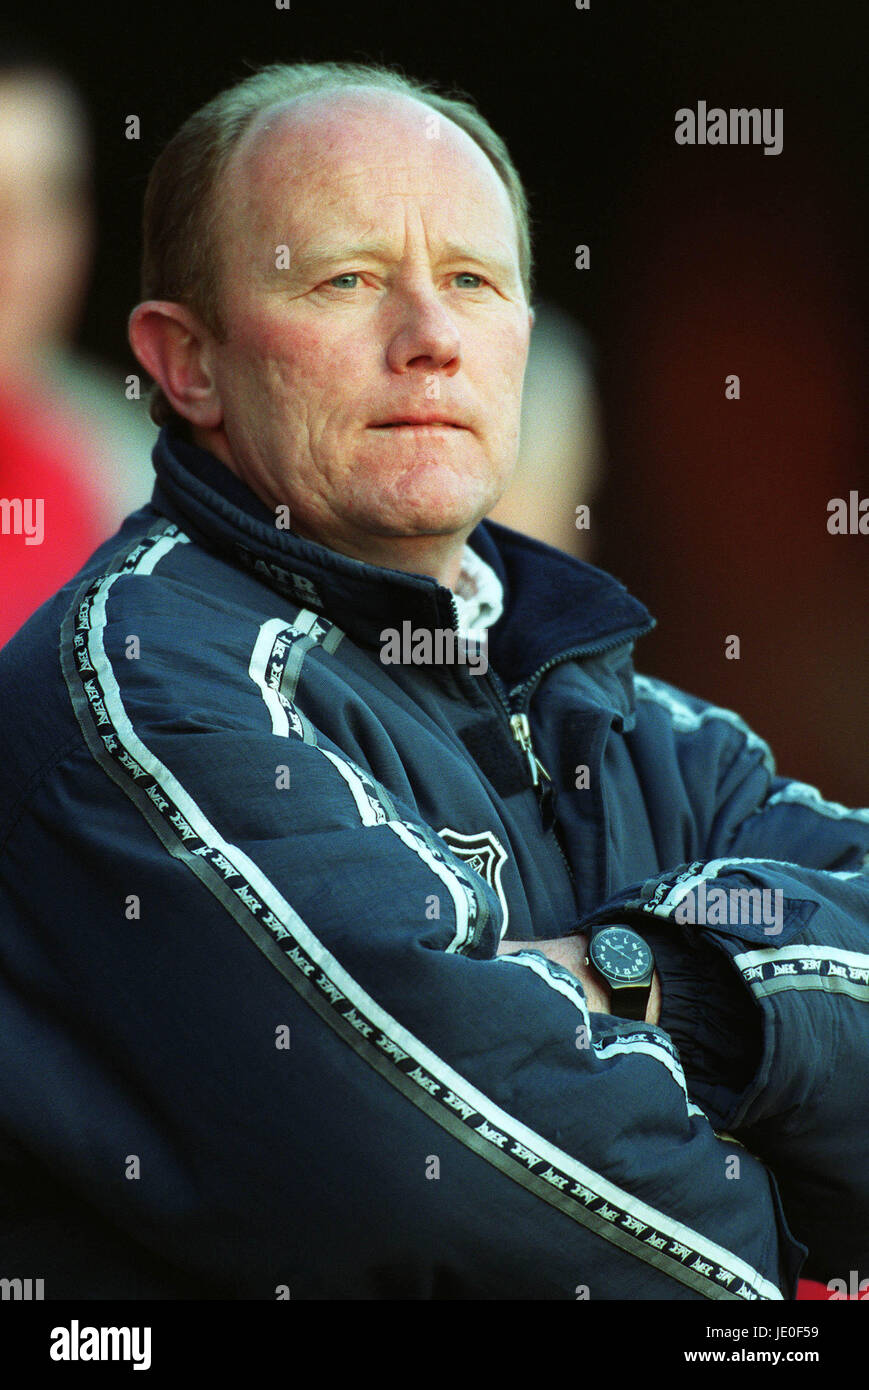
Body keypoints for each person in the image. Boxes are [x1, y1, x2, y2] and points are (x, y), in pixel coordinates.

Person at [1, 60, 867, 1302]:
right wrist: (806, 1243)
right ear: (185, 364)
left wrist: (654, 980)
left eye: (471, 279)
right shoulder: (140, 687)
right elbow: (503, 1196)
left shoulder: (624, 713)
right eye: (346, 280)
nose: (429, 338)